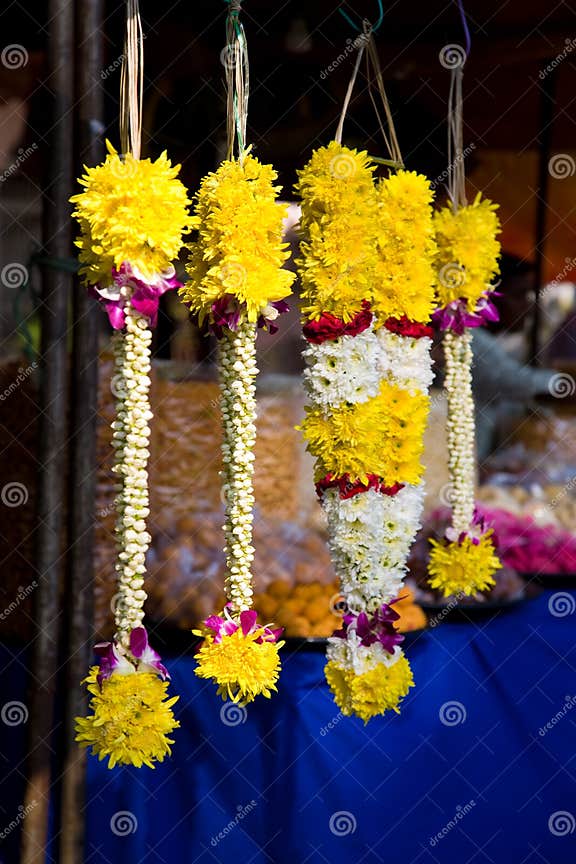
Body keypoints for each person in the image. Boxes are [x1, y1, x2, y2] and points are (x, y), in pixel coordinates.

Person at [470, 253, 557, 461]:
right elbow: (515, 381)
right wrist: (564, 382)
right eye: (519, 296)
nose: (528, 307)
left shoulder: (485, 339)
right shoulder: (470, 339)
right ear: (488, 297)